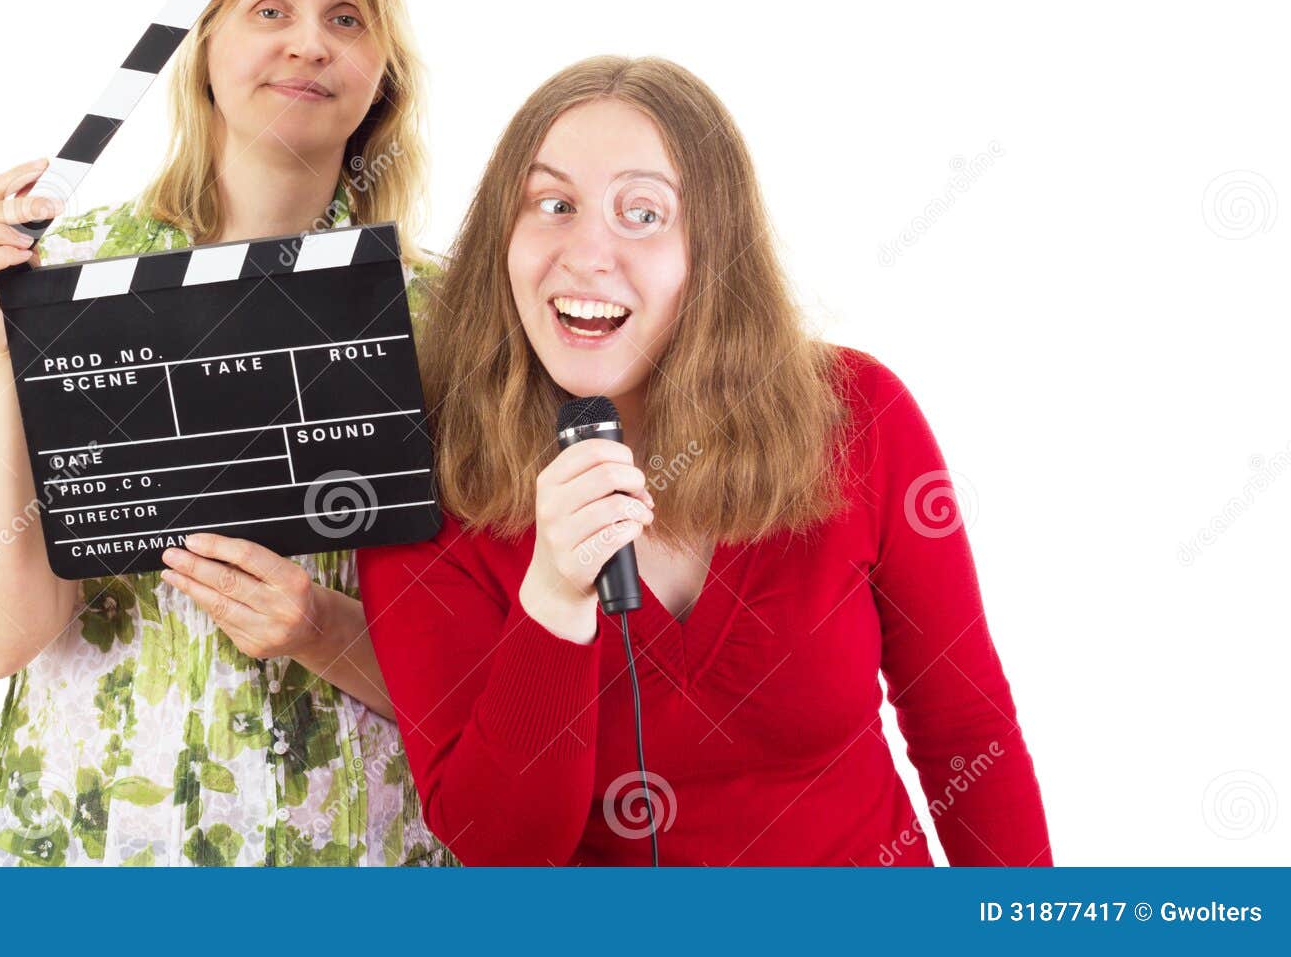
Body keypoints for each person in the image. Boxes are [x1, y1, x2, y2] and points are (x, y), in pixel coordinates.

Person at [357, 55, 1052, 866]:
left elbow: (966, 732)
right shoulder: (424, 487)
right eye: (552, 204)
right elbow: (501, 846)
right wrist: (551, 597)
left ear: (712, 250)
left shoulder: (859, 413)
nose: (586, 254)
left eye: (643, 214)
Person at [0, 0, 453, 866]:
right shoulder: (57, 278)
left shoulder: (449, 317)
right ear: (203, 45)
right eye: (270, 8)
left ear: (380, 71)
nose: (307, 42)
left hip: (354, 859)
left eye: (346, 17)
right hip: (96, 854)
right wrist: (1, 354)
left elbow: (491, 683)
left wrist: (326, 627)